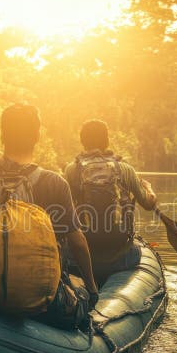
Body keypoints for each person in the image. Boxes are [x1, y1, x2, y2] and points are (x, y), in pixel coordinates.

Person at [0, 104, 99, 321]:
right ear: (36, 136)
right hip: (41, 300)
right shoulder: (54, 183)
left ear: (2, 135)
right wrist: (92, 290)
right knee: (80, 292)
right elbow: (77, 242)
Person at [64, 119, 157, 283]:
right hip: (121, 257)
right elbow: (149, 204)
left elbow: (66, 210)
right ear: (106, 141)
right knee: (135, 248)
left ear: (82, 142)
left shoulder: (72, 170)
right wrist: (149, 189)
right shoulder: (125, 169)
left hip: (81, 258)